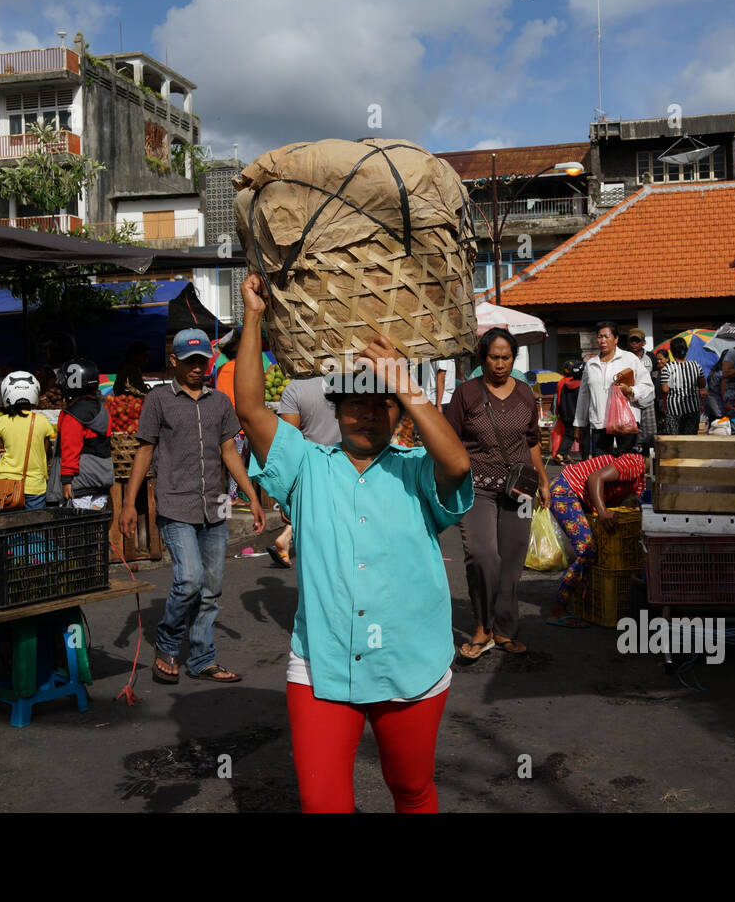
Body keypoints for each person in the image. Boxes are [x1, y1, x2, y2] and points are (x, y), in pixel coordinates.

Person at [234, 273, 473, 814]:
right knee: (322, 803)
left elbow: (458, 463)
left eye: (382, 404)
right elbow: (250, 409)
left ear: (400, 412)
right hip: (323, 661)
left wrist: (405, 382)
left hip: (409, 660)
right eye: (354, 403)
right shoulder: (305, 466)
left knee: (411, 789)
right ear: (335, 410)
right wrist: (253, 316)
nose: (367, 412)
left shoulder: (417, 470)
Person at [119, 327, 265, 685]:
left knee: (211, 589)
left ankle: (202, 658)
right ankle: (168, 643)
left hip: (214, 506)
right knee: (189, 579)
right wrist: (128, 504)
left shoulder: (219, 402)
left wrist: (251, 496)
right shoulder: (159, 400)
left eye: (202, 361)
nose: (198, 367)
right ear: (174, 362)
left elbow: (229, 451)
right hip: (174, 504)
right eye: (190, 361)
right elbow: (144, 449)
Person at [444, 329, 549, 659]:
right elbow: (449, 440)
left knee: (513, 560)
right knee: (482, 555)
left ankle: (504, 629)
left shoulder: (525, 395)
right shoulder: (466, 394)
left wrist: (543, 480)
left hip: (520, 491)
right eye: (494, 357)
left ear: (513, 359)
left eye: (506, 357)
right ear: (483, 358)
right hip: (476, 488)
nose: (500, 363)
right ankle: (483, 625)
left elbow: (531, 442)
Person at [544, 451, 647, 627]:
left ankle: (581, 604)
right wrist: (602, 512)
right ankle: (557, 610)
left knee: (590, 551)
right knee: (587, 551)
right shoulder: (637, 464)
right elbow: (595, 478)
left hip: (577, 496)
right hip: (565, 491)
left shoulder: (641, 481)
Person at [270, 375, 343, 568]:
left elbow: (288, 444)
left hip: (310, 473)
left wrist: (286, 495)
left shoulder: (295, 388)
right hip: (347, 468)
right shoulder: (352, 382)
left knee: (317, 550)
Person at [572, 321, 653, 456]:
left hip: (624, 423)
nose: (602, 340)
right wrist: (578, 424)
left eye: (606, 336)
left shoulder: (629, 359)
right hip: (599, 423)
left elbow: (647, 386)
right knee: (601, 465)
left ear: (616, 339)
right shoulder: (591, 364)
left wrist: (631, 391)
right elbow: (584, 396)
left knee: (624, 466)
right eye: (599, 336)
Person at [49, 358, 114, 511]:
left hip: (78, 484)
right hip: (99, 481)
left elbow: (70, 448)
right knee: (95, 530)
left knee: (77, 532)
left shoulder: (73, 414)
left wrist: (66, 480)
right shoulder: (102, 409)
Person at [0, 372, 55, 510]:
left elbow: (2, 447)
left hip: (6, 484)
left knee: (10, 528)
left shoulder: (2, 421)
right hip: (34, 485)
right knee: (34, 527)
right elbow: (46, 450)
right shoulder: (42, 421)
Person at [661, 338, 705, 436]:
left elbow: (665, 389)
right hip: (693, 408)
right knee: (689, 440)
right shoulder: (695, 365)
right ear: (686, 350)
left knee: (675, 441)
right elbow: (702, 384)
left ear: (672, 351)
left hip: (674, 410)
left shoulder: (668, 367)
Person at [624, 328, 657, 451]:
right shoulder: (623, 357)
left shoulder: (651, 357)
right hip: (630, 402)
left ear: (643, 342)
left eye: (637, 341)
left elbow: (655, 379)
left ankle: (647, 462)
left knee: (649, 436)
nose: (634, 343)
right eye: (632, 340)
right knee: (630, 435)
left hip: (647, 401)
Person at [551, 360, 583, 464]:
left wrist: (557, 411)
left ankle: (564, 453)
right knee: (570, 434)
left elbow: (558, 398)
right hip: (572, 412)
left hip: (563, 411)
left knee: (566, 434)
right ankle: (562, 454)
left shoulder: (562, 382)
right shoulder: (576, 383)